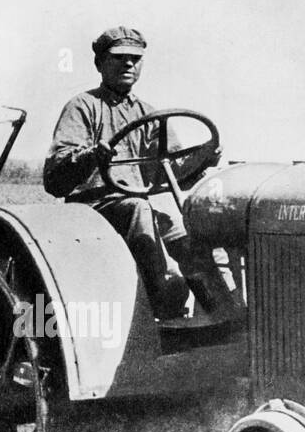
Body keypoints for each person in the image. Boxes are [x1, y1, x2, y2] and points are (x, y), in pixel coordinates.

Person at [44, 27, 229, 319]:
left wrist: (202, 158)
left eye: (135, 58)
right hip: (91, 209)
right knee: (140, 209)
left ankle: (223, 312)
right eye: (119, 58)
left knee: (187, 230)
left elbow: (170, 169)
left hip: (135, 206)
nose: (128, 64)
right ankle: (166, 297)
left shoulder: (147, 113)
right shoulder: (83, 106)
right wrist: (91, 155)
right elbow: (55, 176)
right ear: (100, 64)